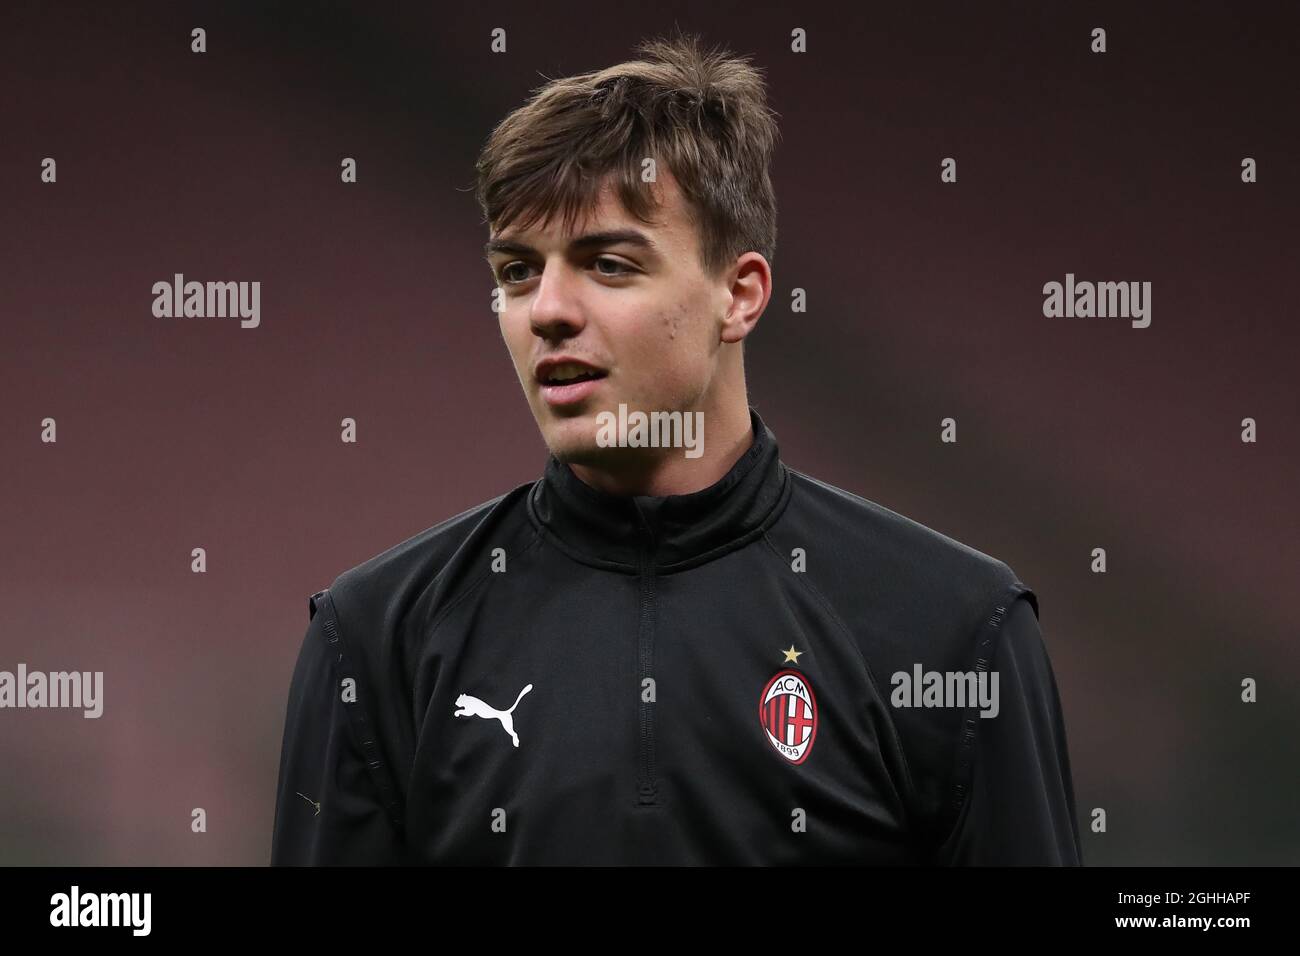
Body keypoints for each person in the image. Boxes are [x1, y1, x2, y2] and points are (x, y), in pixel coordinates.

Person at [271, 32, 1082, 865]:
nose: (547, 309)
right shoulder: (375, 638)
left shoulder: (951, 628)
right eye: (517, 272)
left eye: (608, 263)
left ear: (740, 294)